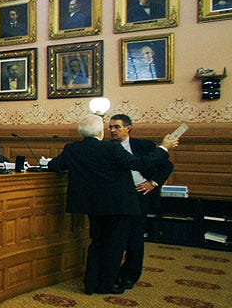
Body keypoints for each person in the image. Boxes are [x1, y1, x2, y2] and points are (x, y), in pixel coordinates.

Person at [47, 114, 179, 295]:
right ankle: (106, 285)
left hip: (92, 205)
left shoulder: (72, 149)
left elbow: (54, 166)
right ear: (101, 132)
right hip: (119, 205)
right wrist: (164, 147)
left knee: (97, 243)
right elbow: (141, 163)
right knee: (115, 246)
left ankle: (91, 283)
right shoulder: (111, 149)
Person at [108, 114, 174, 289]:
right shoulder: (106, 147)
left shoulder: (144, 146)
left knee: (135, 237)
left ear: (128, 128)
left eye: (117, 127)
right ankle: (112, 274)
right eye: (111, 127)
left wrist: (153, 183)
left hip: (139, 194)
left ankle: (130, 275)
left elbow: (167, 166)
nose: (113, 131)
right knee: (115, 237)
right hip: (116, 197)